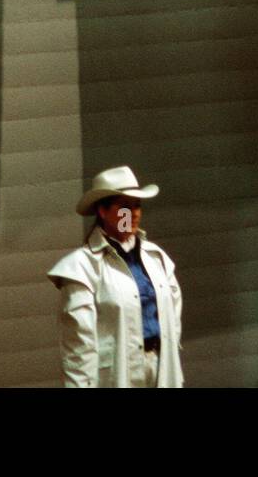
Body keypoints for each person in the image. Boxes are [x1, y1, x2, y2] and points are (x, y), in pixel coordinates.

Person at [47, 166, 183, 387]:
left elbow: (172, 318)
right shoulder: (82, 267)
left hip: (160, 368)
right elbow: (79, 346)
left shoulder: (156, 259)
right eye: (125, 207)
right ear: (103, 211)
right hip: (115, 376)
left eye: (137, 206)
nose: (134, 214)